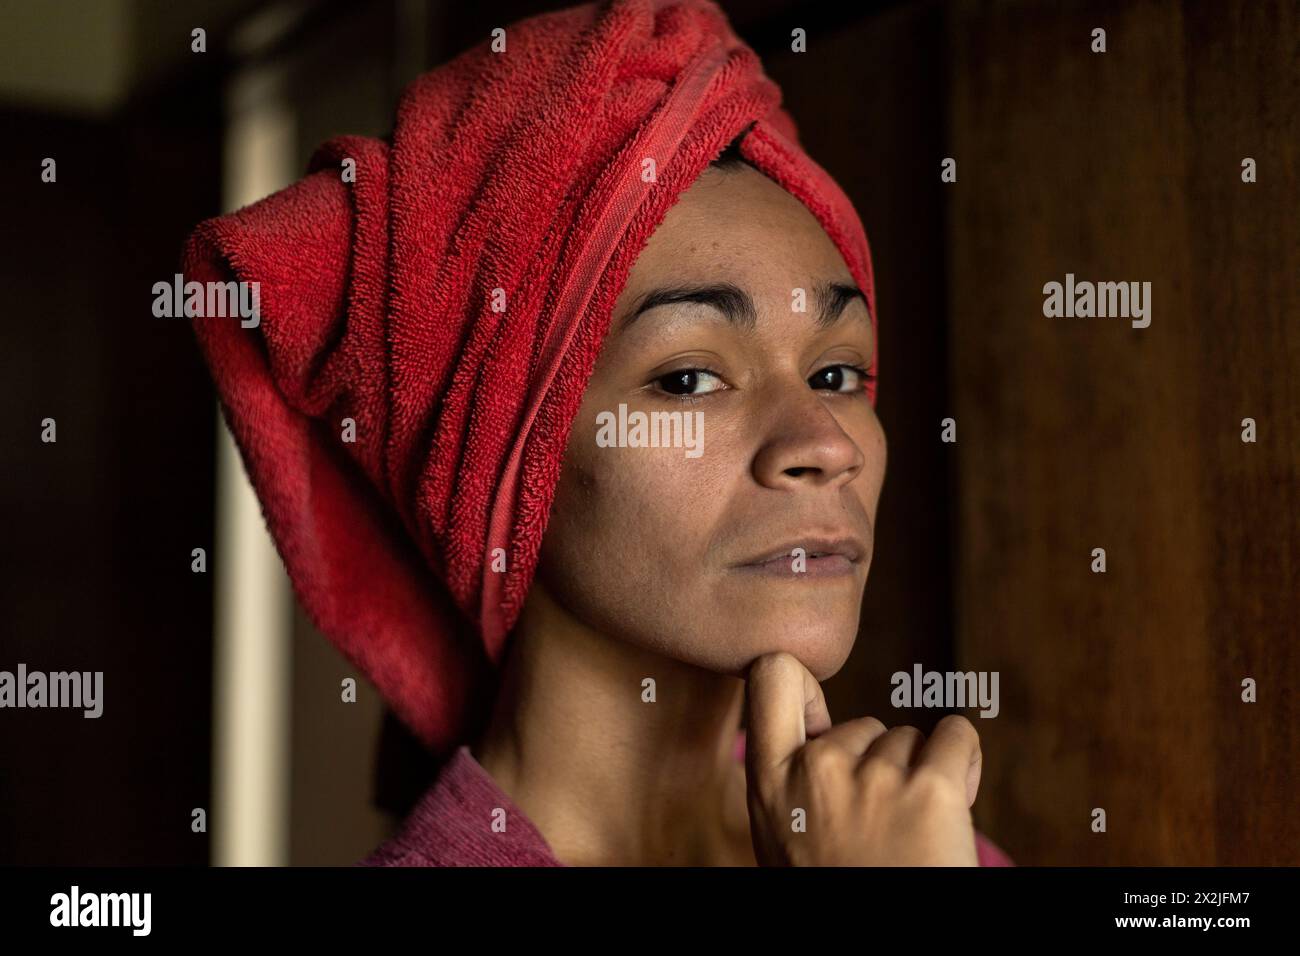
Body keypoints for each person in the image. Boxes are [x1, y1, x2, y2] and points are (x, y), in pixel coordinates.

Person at [183, 0, 1012, 867]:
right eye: (689, 378)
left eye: (835, 374)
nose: (826, 444)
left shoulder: (907, 840)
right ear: (502, 471)